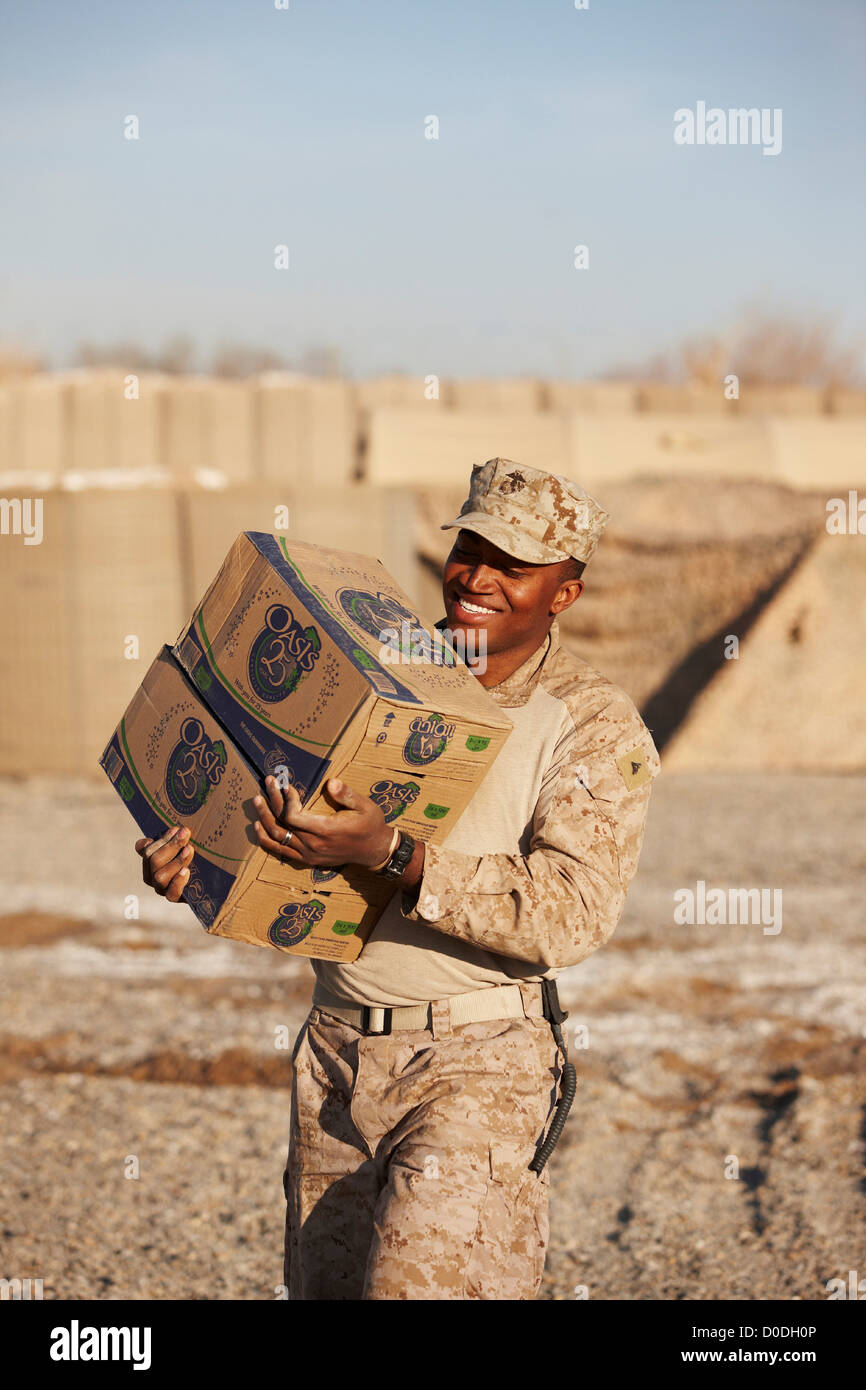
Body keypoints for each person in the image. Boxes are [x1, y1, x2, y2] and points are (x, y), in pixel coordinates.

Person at [135, 457, 660, 1300]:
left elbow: (571, 916)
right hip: (333, 1058)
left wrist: (400, 854)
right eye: (469, 549)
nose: (477, 578)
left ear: (566, 592)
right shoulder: (383, 673)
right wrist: (198, 860)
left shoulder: (592, 724)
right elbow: (283, 812)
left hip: (476, 1067)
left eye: (513, 565)